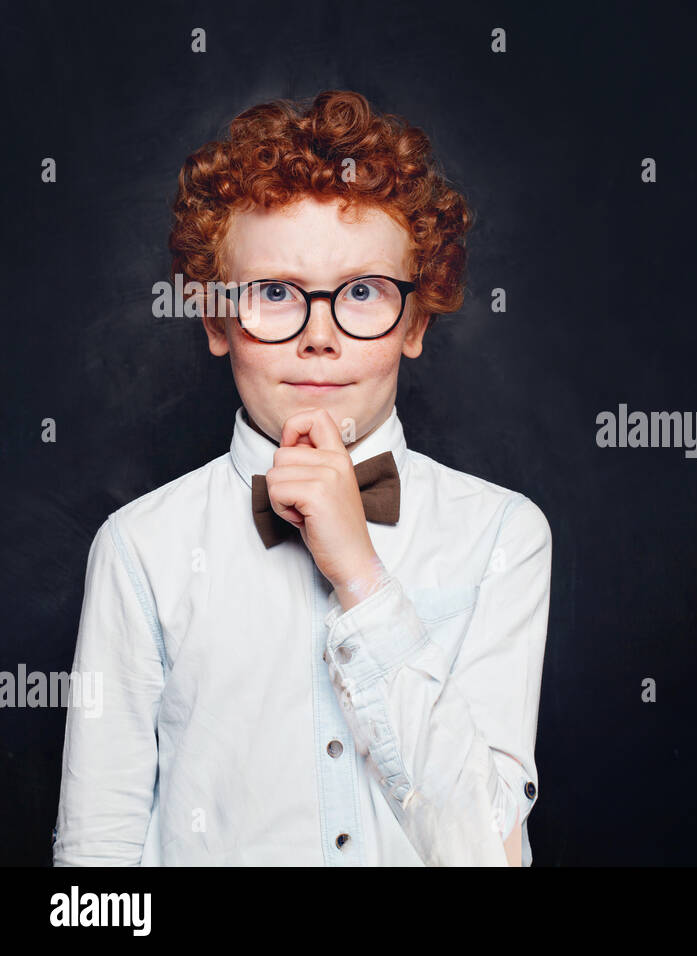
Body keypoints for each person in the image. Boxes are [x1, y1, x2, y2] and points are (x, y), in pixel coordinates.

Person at [53, 90, 552, 866]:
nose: (319, 335)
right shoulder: (140, 548)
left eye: (363, 292)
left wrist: (362, 578)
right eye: (275, 293)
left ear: (416, 322)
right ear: (217, 320)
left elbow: (487, 850)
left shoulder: (502, 536)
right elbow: (96, 854)